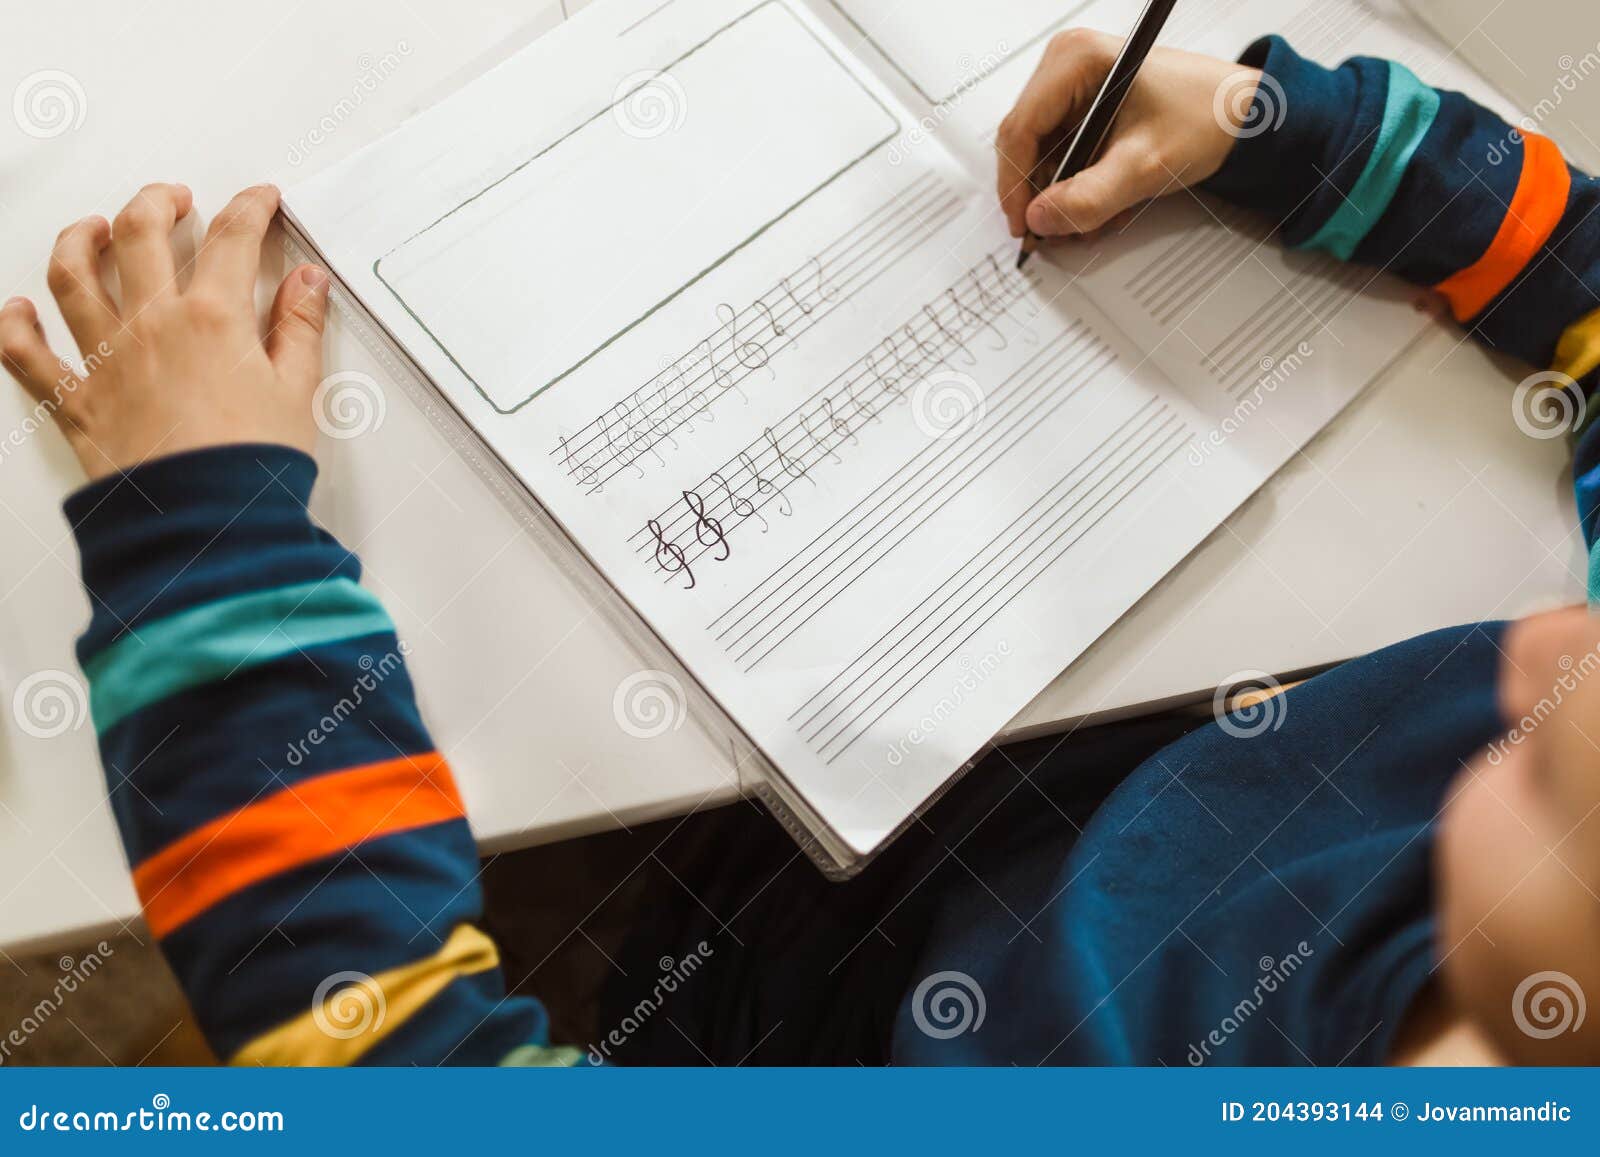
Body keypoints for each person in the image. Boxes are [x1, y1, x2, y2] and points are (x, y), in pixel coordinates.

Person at [2, 30, 1596, 1067]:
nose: (1538, 640)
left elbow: (387, 1052)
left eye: (1552, 774)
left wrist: (198, 520)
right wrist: (1272, 130)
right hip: (1044, 818)